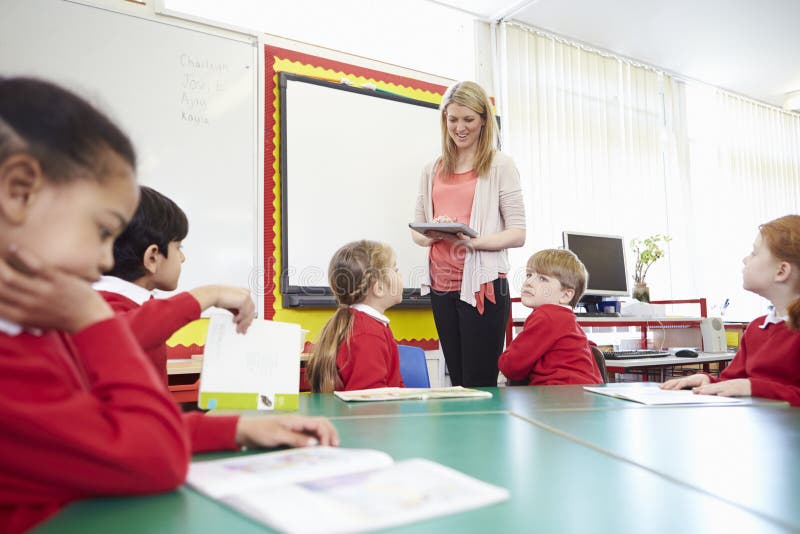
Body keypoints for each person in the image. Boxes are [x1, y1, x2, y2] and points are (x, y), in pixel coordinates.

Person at [0, 77, 337, 534]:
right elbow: (153, 457)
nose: (104, 260)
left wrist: (236, 429)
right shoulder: (27, 346)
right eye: (102, 231)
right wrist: (94, 319)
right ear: (18, 191)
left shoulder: (36, 328)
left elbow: (104, 430)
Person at [412, 80, 526, 387]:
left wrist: (471, 241)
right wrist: (437, 233)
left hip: (483, 287)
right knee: (458, 382)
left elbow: (517, 233)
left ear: (484, 120)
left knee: (480, 382)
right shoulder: (431, 169)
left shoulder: (501, 165)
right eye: (452, 120)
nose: (459, 128)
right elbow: (418, 232)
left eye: (468, 120)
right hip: (441, 286)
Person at [93, 185, 255, 385]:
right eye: (178, 247)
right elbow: (121, 334)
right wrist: (212, 294)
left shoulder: (129, 306)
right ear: (152, 257)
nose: (183, 257)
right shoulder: (98, 307)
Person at [661, 215, 800, 405]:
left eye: (754, 252)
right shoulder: (757, 328)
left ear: (781, 271)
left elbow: (748, 386)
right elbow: (734, 382)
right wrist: (709, 381)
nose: (745, 259)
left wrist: (752, 388)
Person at [306, 240, 405, 392]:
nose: (401, 275)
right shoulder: (368, 334)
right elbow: (369, 400)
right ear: (378, 288)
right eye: (396, 270)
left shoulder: (367, 325)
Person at [498, 249, 603, 385]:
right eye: (529, 275)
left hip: (560, 396)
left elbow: (511, 367)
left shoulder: (546, 316)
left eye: (543, 279)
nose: (528, 282)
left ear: (565, 295)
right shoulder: (566, 319)